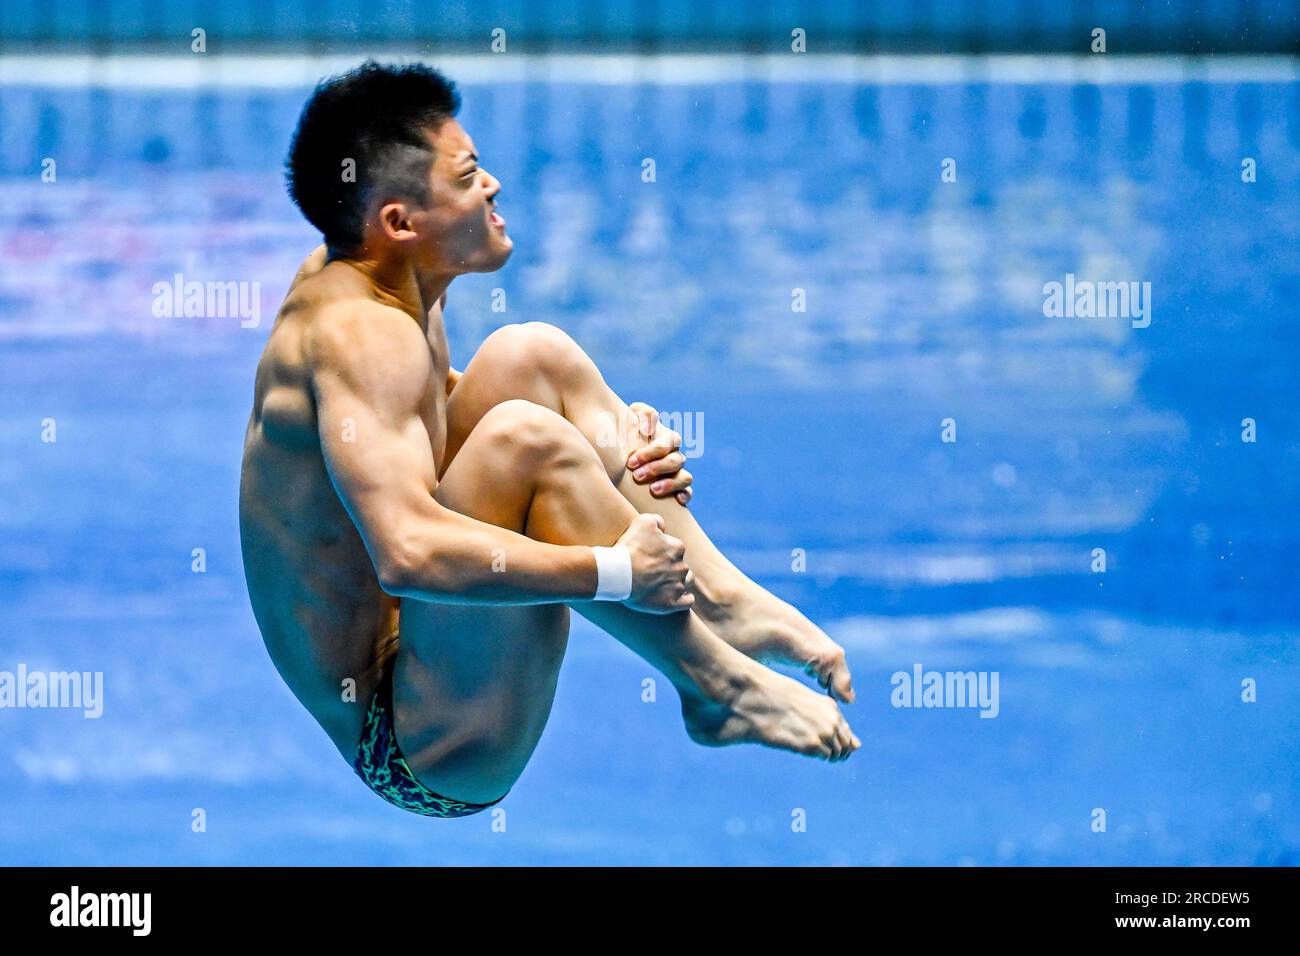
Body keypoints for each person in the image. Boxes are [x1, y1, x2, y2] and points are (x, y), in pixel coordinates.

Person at [239, 61, 858, 818]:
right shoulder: (362, 335)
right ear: (400, 223)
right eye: (467, 176)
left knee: (533, 358)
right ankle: (714, 684)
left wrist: (617, 440)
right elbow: (404, 551)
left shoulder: (380, 280)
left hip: (438, 651)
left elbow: (415, 415)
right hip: (413, 741)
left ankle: (717, 595)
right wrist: (616, 571)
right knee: (524, 440)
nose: (492, 185)